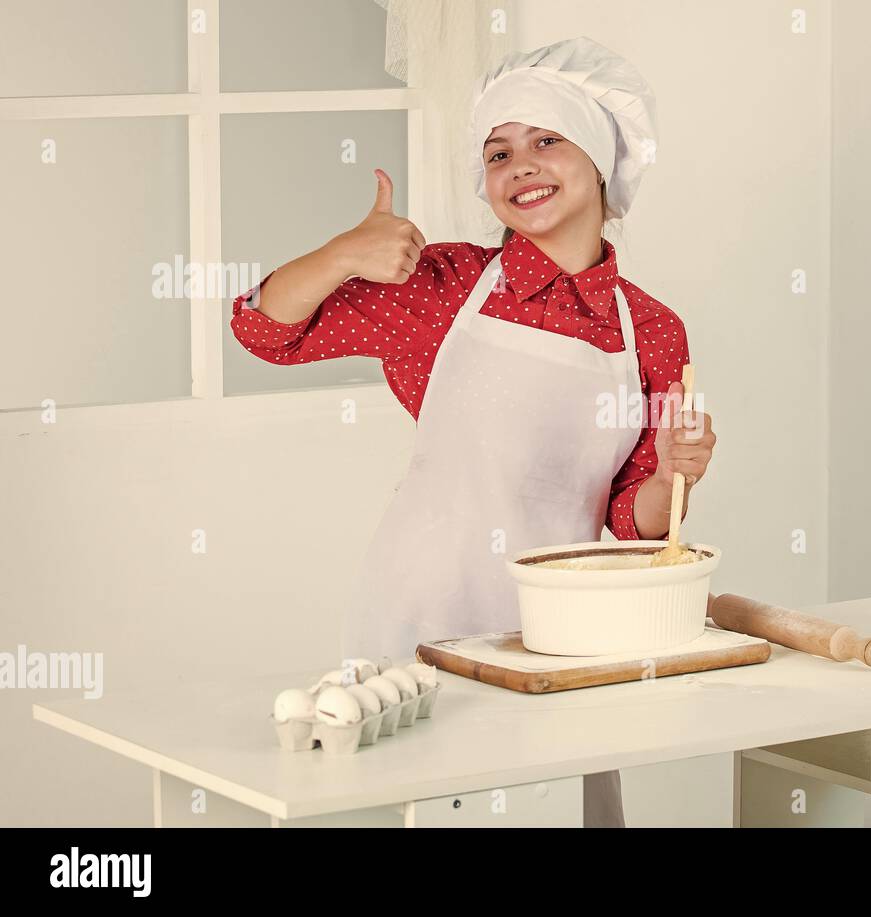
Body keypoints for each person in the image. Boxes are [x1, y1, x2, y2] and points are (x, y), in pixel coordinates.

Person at [229, 37, 716, 827]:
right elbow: (261, 329)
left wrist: (674, 474)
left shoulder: (653, 330)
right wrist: (343, 253)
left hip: (556, 638)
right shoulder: (444, 285)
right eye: (498, 152)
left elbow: (633, 523)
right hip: (414, 623)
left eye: (546, 139)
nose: (520, 165)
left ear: (599, 159)